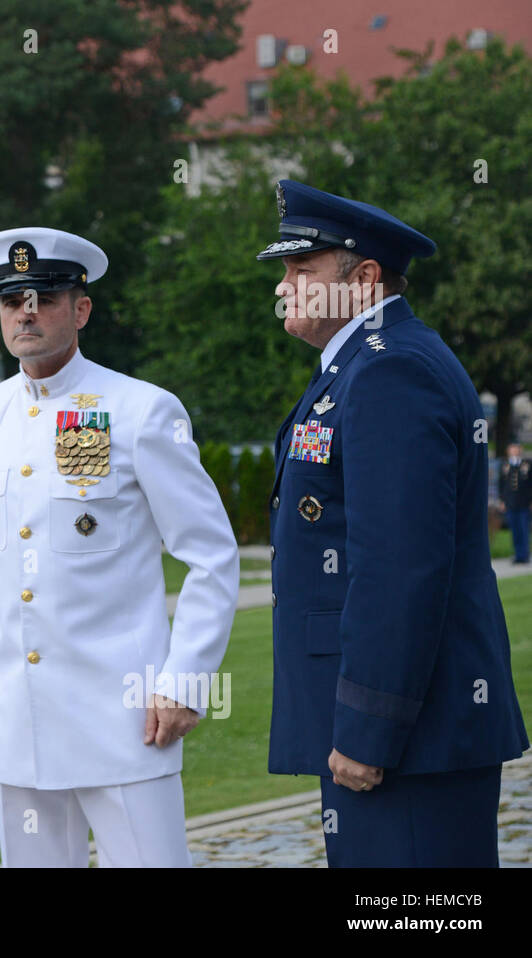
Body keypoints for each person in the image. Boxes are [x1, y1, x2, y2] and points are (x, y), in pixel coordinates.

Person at [260, 179, 528, 867]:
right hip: (400, 729)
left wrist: (368, 731)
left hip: (405, 736)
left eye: (302, 269)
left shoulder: (389, 371)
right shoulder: (362, 364)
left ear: (366, 277)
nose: (284, 286)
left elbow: (399, 569)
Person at [0, 227, 239, 867]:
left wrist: (186, 680)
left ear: (80, 309)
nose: (26, 311)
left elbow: (212, 554)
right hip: (15, 719)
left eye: (45, 296)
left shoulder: (140, 410)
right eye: (11, 299)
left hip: (124, 719)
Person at [498, 442, 531, 564]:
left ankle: (524, 555)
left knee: (523, 529)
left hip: (524, 502)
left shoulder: (527, 464)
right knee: (514, 530)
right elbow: (501, 484)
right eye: (512, 449)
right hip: (510, 503)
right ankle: (518, 555)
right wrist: (502, 500)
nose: (514, 451)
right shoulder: (505, 465)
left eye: (516, 449)